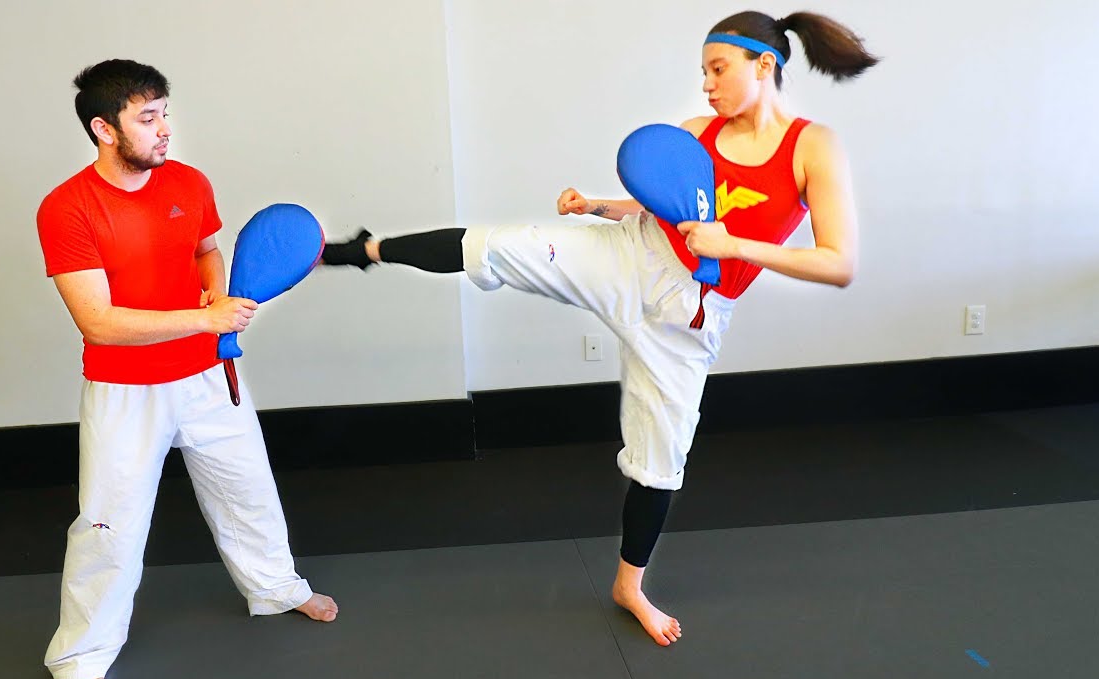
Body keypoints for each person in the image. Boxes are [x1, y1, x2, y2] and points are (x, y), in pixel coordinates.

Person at [319, 11, 876, 646]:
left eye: (718, 70)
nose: (707, 85)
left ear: (765, 65)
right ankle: (364, 249)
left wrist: (738, 244)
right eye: (704, 72)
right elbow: (663, 203)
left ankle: (628, 586)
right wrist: (598, 207)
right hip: (630, 254)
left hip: (690, 314)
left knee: (661, 462)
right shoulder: (695, 132)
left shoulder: (813, 145)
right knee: (500, 245)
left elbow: (840, 264)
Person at [36, 59, 338, 679]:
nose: (165, 128)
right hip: (126, 391)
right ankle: (82, 651)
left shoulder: (189, 183)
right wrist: (206, 315)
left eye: (165, 112)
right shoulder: (66, 209)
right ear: (103, 130)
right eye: (147, 118)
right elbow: (99, 323)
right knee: (108, 524)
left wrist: (221, 298)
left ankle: (276, 588)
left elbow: (205, 249)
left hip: (209, 374)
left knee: (247, 490)